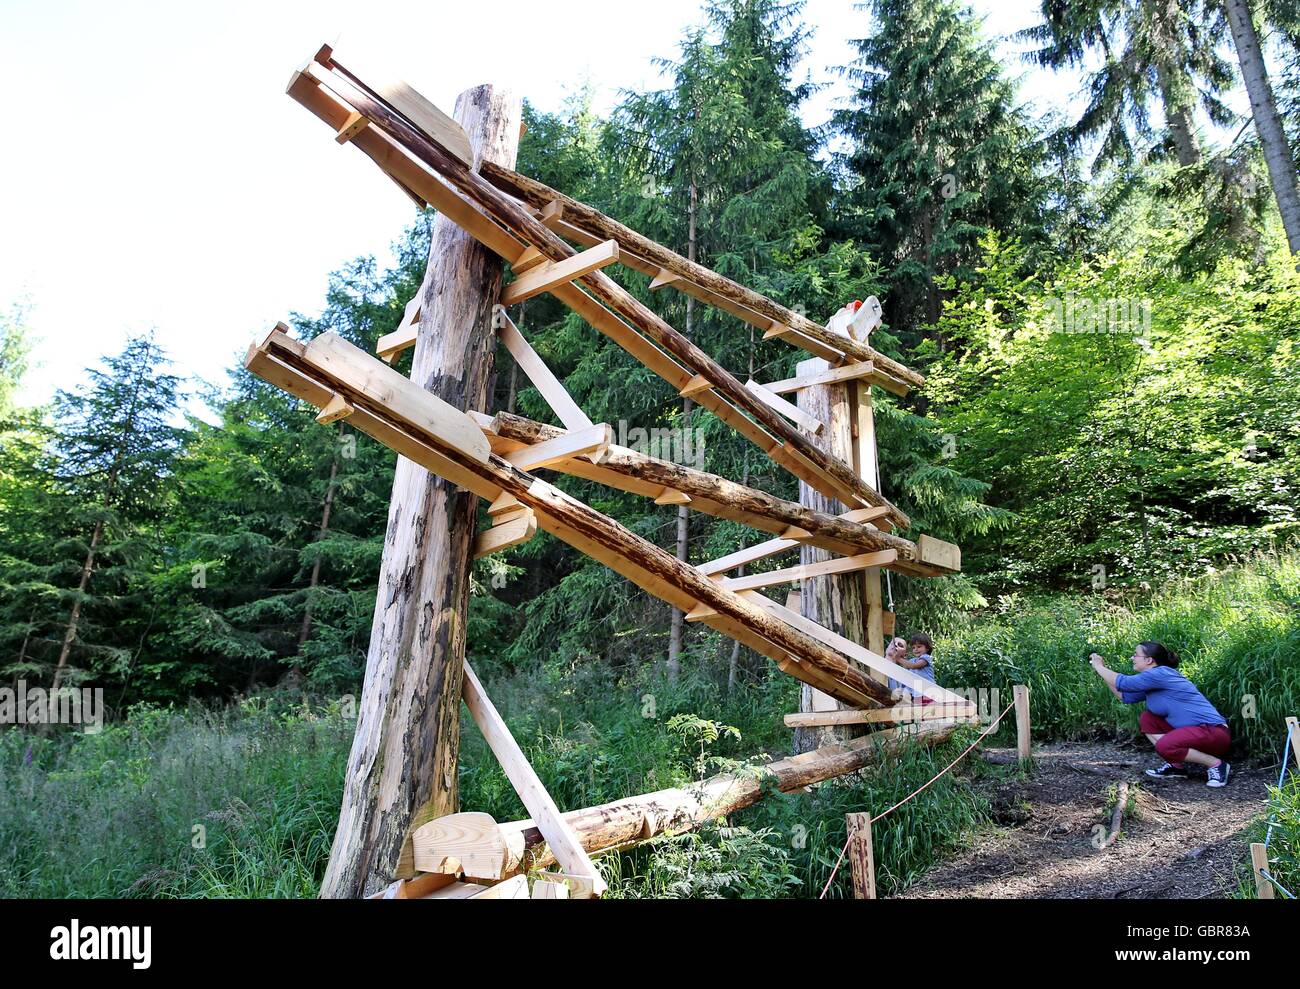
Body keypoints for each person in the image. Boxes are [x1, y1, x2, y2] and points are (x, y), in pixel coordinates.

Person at [1088, 642, 1231, 787]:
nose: (1132, 658)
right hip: (1196, 733)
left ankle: (1216, 764)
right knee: (1148, 719)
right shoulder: (1153, 680)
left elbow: (1124, 682)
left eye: (1136, 655)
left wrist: (1099, 667)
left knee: (1165, 746)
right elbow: (1124, 695)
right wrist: (1102, 670)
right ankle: (1176, 766)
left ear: (1149, 660)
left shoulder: (1160, 673)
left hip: (1214, 732)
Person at [889, 632, 938, 704]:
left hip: (927, 691)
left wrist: (899, 659)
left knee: (929, 710)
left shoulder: (926, 658)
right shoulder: (912, 660)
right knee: (919, 711)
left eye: (919, 646)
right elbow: (905, 667)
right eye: (914, 647)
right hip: (917, 692)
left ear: (927, 648)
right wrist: (900, 657)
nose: (916, 649)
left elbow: (914, 666)